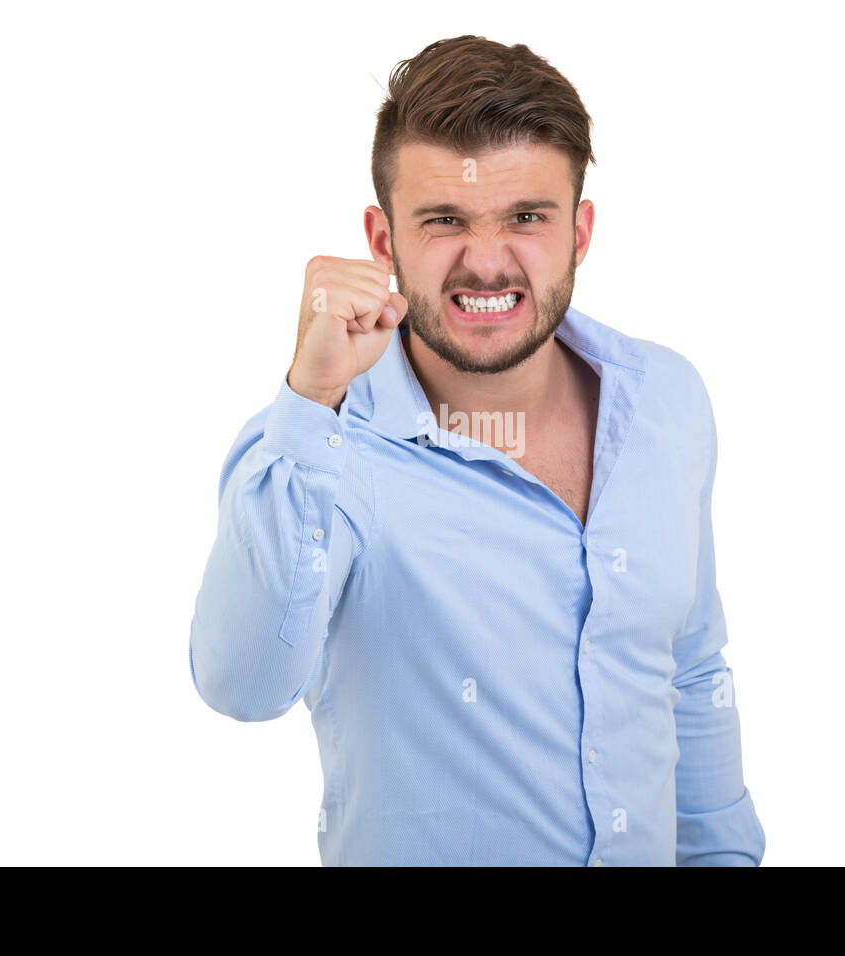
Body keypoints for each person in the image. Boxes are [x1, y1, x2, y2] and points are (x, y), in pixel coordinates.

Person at [189, 35, 765, 866]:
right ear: (382, 244)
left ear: (581, 230)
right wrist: (311, 401)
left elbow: (690, 670)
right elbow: (241, 683)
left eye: (526, 218)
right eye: (445, 221)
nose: (488, 262)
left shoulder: (667, 401)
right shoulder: (323, 443)